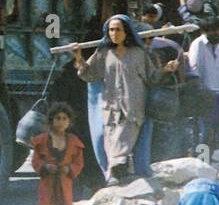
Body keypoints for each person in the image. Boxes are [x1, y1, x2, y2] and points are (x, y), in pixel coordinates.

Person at [73, 15, 178, 184]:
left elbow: (152, 77)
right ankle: (116, 171)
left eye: (118, 30)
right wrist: (79, 59)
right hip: (110, 107)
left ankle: (117, 167)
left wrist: (166, 69)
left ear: (126, 32)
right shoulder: (103, 53)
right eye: (111, 30)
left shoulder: (138, 54)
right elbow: (90, 75)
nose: (114, 33)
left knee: (123, 138)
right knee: (108, 139)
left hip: (133, 106)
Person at [30, 102, 85, 205]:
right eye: (57, 118)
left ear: (69, 121)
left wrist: (69, 169)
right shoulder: (40, 140)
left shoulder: (74, 142)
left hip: (65, 184)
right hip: (47, 184)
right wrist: (45, 167)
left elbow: (79, 163)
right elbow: (35, 161)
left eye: (64, 118)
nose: (61, 122)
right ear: (51, 121)